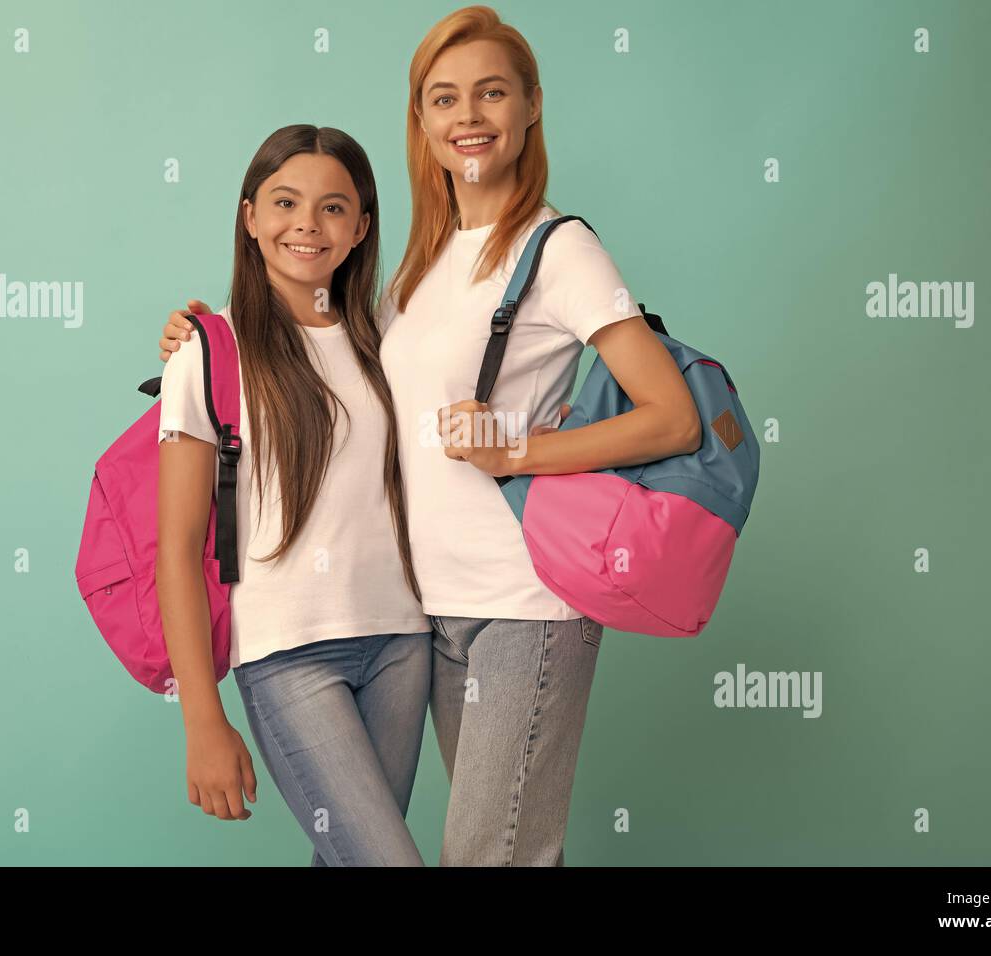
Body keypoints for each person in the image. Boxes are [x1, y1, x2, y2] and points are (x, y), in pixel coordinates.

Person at [158, 6, 701, 865]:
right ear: (422, 121)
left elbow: (672, 416)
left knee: (493, 856)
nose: (469, 116)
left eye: (492, 93)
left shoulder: (557, 249)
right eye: (444, 98)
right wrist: (205, 338)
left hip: (522, 602)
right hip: (433, 614)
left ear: (531, 107)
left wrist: (516, 450)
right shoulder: (419, 267)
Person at [156, 124, 432, 866]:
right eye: (284, 201)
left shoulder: (387, 338)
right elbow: (178, 553)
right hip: (286, 655)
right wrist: (201, 721)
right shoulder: (208, 351)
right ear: (249, 217)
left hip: (404, 643)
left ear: (362, 228)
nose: (307, 223)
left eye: (334, 207)